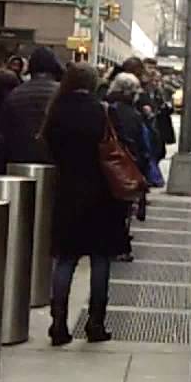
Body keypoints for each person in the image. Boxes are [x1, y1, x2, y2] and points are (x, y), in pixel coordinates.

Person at [42, 63, 131, 346]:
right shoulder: (103, 111)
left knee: (65, 259)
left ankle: (58, 323)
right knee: (100, 259)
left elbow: (49, 148)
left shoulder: (56, 111)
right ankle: (95, 322)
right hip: (101, 194)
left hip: (67, 191)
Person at [0, 48, 65, 167]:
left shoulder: (15, 94)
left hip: (19, 159)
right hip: (53, 159)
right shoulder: (63, 94)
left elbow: (3, 131)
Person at [107, 73, 153, 252]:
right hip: (127, 166)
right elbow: (144, 144)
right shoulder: (134, 115)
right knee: (124, 208)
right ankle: (120, 244)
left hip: (106, 164)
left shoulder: (105, 106)